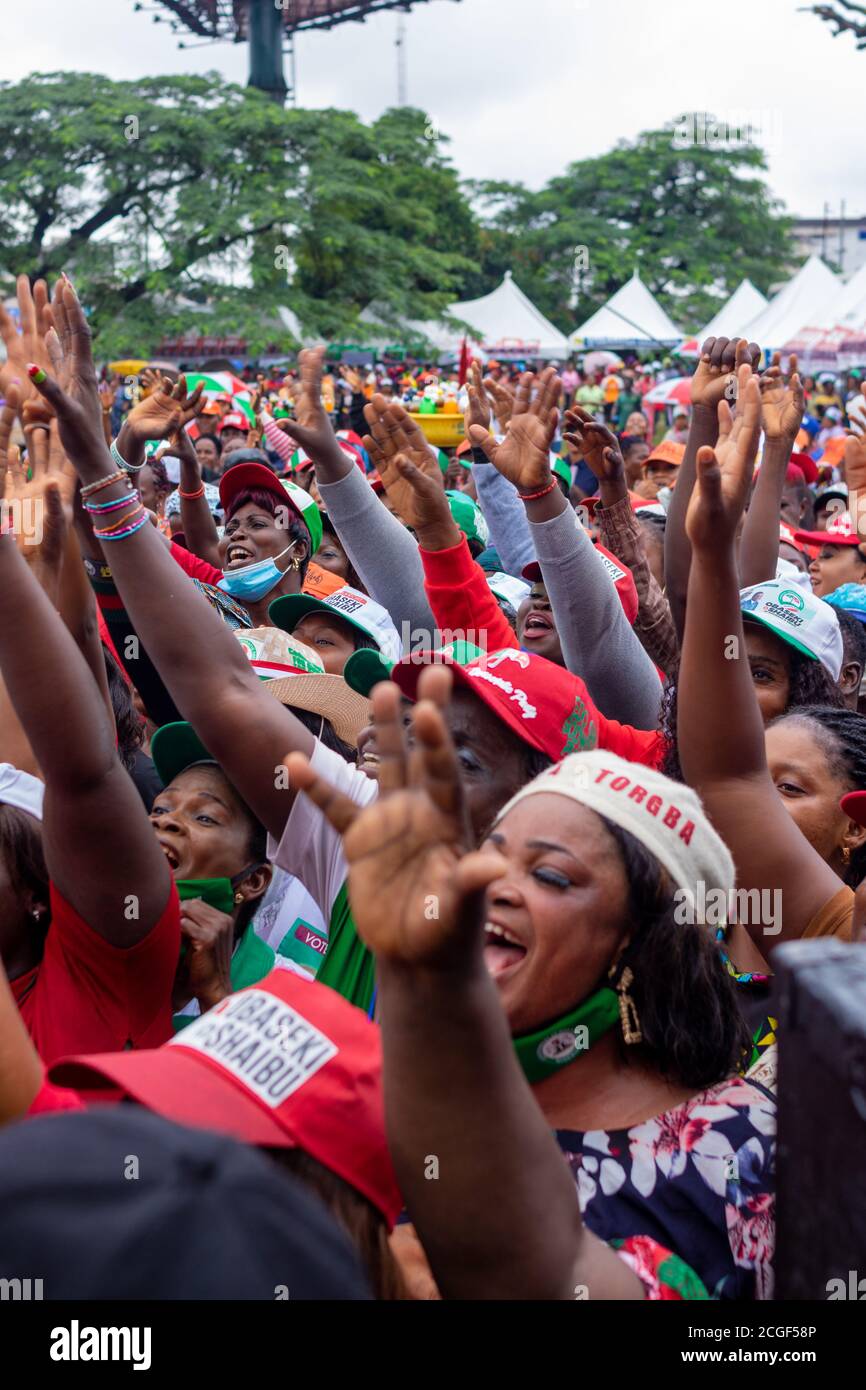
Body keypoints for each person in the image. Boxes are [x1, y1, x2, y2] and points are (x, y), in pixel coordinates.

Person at [285, 671, 774, 1300]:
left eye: (550, 876)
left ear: (639, 935)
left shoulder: (742, 1145)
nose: (494, 883)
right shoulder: (410, 1095)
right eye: (491, 853)